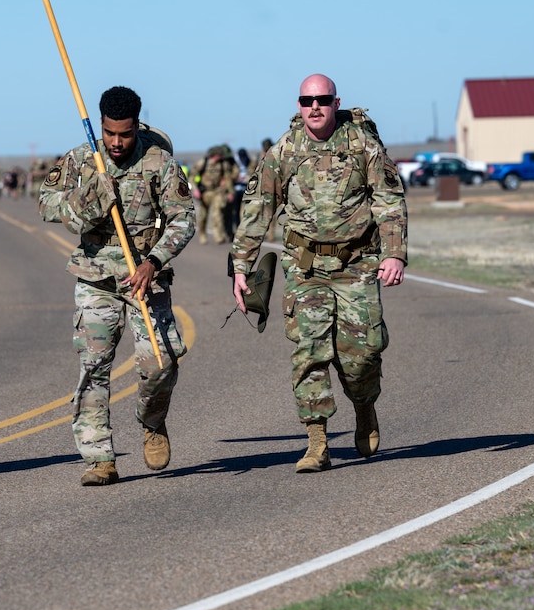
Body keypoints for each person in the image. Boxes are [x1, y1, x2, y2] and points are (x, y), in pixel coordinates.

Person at [230, 74, 407, 473]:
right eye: (307, 100)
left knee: (361, 357)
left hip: (356, 264)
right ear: (298, 105)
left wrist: (394, 254)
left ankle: (364, 405)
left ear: (335, 101)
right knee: (309, 352)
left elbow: (389, 200)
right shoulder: (285, 151)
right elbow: (258, 206)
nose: (315, 107)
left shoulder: (363, 145)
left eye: (323, 100)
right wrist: (241, 265)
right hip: (304, 267)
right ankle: (317, 442)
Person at [38, 86, 196, 486]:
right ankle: (99, 458)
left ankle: (152, 421)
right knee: (93, 370)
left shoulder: (159, 161)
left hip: (144, 276)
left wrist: (153, 261)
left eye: (124, 134)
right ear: (101, 125)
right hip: (96, 279)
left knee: (160, 363)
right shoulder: (82, 159)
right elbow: (45, 204)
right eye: (110, 133)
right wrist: (89, 200)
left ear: (136, 126)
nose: (116, 142)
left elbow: (183, 219)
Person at [192, 145, 239, 244]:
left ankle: (218, 236)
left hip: (217, 192)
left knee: (217, 214)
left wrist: (230, 192)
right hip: (204, 193)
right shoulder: (202, 163)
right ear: (215, 155)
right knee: (203, 216)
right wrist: (195, 189)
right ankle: (202, 235)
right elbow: (192, 177)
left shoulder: (223, 164)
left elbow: (228, 179)